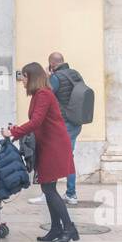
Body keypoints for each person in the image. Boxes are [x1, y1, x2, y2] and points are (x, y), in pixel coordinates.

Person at [4, 62, 78, 242]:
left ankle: (68, 229)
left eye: (24, 78)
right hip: (48, 145)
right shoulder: (40, 94)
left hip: (54, 146)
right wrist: (17, 130)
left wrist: (14, 133)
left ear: (32, 77)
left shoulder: (43, 94)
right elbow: (38, 122)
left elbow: (36, 121)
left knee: (50, 190)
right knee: (47, 188)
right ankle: (55, 229)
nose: (22, 82)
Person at [37, 52, 88, 206]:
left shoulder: (56, 78)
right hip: (76, 121)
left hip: (64, 123)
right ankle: (70, 194)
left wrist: (46, 77)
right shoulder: (75, 74)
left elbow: (46, 95)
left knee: (53, 156)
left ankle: (51, 193)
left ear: (51, 64)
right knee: (67, 157)